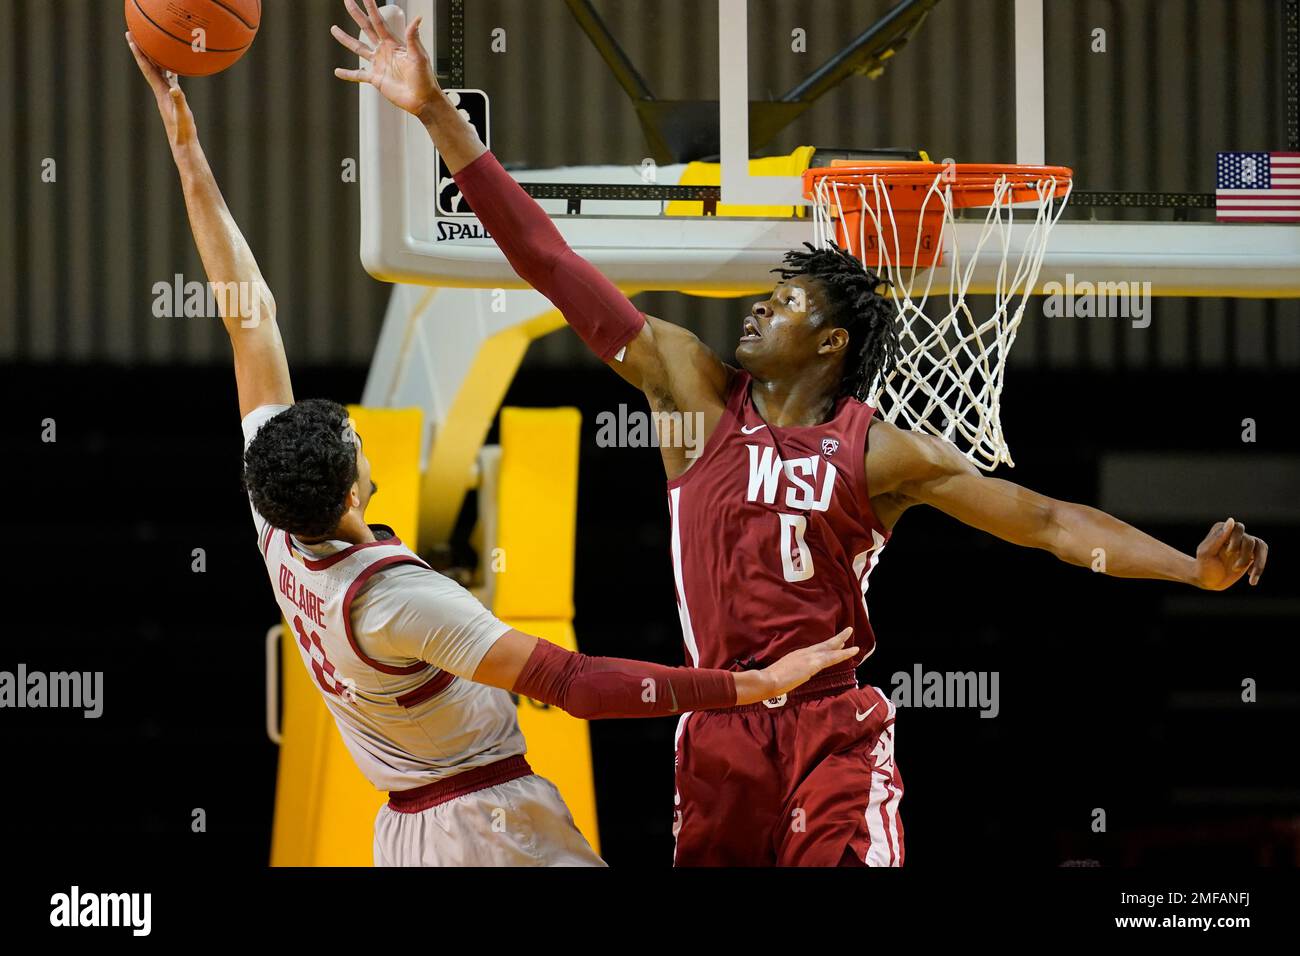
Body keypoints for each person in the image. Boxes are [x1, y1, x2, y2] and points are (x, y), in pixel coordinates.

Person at [331, 0, 1269, 866]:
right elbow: (546, 258)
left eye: (781, 302)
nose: (754, 309)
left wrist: (1191, 570)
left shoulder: (881, 450)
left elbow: (1054, 524)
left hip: (834, 728)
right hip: (720, 725)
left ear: (829, 341)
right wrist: (435, 116)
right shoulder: (689, 390)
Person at [126, 28, 856, 868]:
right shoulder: (397, 604)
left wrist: (185, 145)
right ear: (356, 492)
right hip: (482, 824)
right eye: (355, 437)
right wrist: (749, 686)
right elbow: (578, 686)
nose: (359, 430)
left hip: (405, 827)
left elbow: (245, 312)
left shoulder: (278, 523)